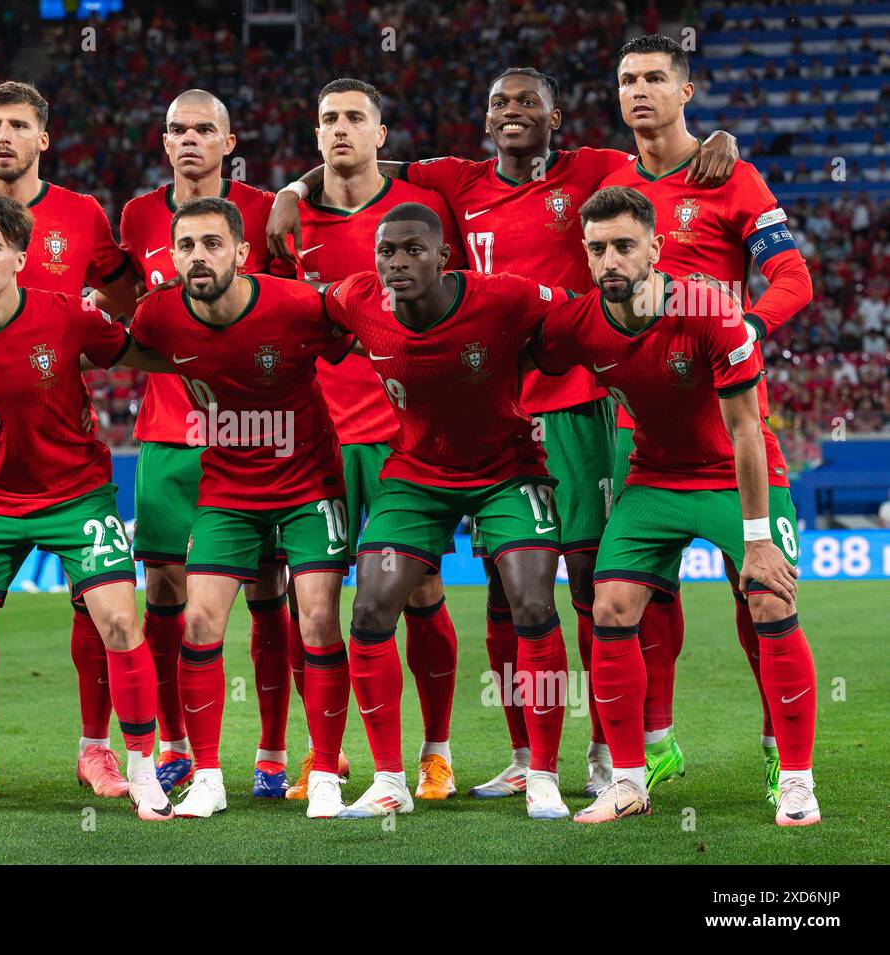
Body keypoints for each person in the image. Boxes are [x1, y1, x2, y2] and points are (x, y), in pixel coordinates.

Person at [266, 67, 738, 800]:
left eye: (528, 103)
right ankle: (521, 751)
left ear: (557, 117)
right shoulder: (456, 181)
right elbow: (362, 156)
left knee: (583, 582)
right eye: (499, 104)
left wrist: (718, 139)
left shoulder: (593, 168)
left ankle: (606, 752)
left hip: (570, 399)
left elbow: (661, 160)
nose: (512, 113)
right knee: (499, 588)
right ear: (484, 121)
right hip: (483, 401)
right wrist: (294, 189)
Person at [532, 185, 818, 827]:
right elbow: (520, 350)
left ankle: (796, 780)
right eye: (598, 248)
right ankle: (629, 780)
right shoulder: (580, 323)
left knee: (770, 599)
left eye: (625, 246)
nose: (611, 260)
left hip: (738, 476)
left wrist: (757, 540)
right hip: (655, 479)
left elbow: (746, 429)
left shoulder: (709, 309)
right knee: (609, 607)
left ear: (656, 249)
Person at [0, 189, 174, 822]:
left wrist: (221, 354)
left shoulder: (66, 315)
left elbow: (135, 349)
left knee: (121, 623)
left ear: (20, 256)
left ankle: (140, 770)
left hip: (77, 494)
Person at [601, 35, 813, 803]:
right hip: (641, 431)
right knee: (638, 596)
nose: (640, 91)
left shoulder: (732, 174)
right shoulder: (604, 176)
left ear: (687, 90)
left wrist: (749, 326)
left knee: (756, 593)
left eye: (657, 77)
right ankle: (652, 747)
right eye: (628, 79)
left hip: (730, 419)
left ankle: (777, 747)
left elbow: (793, 275)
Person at [323, 203, 573, 819]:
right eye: (386, 252)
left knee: (534, 604)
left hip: (506, 470)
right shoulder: (358, 300)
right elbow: (289, 306)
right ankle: (388, 781)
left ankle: (542, 774)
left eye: (412, 250)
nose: (397, 263)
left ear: (444, 257)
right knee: (371, 606)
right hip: (416, 473)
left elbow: (575, 314)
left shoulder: (504, 297)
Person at [129, 197, 357, 820]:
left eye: (210, 243)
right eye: (185, 246)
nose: (197, 257)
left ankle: (325, 771)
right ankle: (207, 777)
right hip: (228, 488)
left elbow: (359, 333)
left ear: (241, 252)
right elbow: (123, 350)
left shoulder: (298, 305)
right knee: (198, 624)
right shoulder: (160, 315)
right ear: (171, 256)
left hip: (310, 484)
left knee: (316, 622)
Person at [270, 78, 465, 801]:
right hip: (314, 438)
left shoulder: (421, 210)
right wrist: (292, 187)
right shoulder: (287, 222)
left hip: (400, 439)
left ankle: (436, 751)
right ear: (315, 136)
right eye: (328, 119)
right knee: (308, 601)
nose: (341, 128)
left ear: (382, 133)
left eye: (356, 117)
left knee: (419, 594)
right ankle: (327, 754)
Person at [114, 88, 298, 797]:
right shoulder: (134, 217)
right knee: (163, 586)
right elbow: (130, 316)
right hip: (166, 430)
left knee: (268, 585)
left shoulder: (268, 208)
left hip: (252, 435)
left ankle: (274, 751)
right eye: (175, 130)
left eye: (203, 130)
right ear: (163, 142)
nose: (188, 140)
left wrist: (296, 184)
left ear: (228, 141)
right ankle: (175, 742)